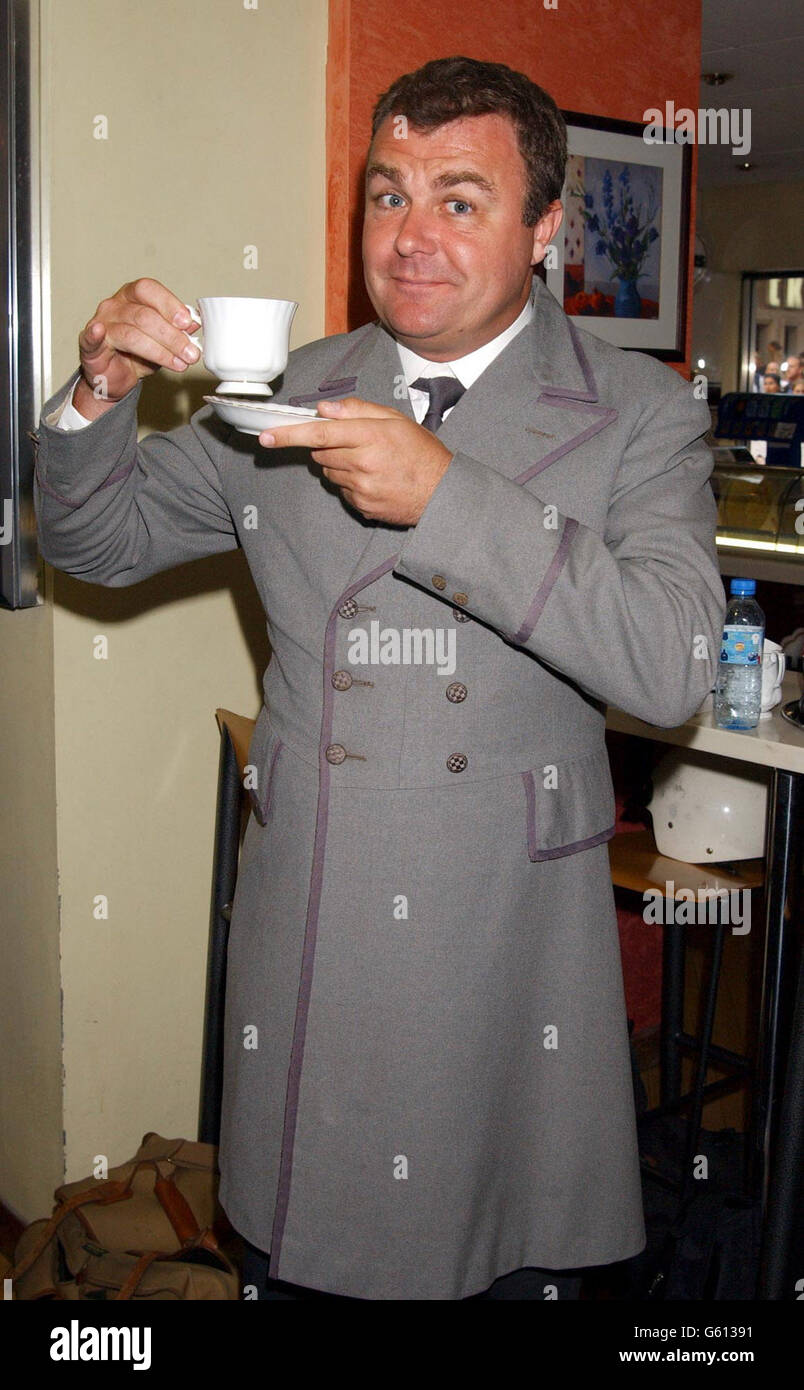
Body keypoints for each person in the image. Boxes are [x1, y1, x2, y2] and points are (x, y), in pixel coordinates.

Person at [33, 56, 725, 1301]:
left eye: (460, 201)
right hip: (315, 922)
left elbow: (671, 660)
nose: (409, 237)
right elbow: (97, 542)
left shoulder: (637, 412)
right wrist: (97, 394)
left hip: (504, 947)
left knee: (495, 1267)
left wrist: (449, 499)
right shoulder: (287, 394)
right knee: (299, 1262)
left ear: (546, 230)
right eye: (388, 194)